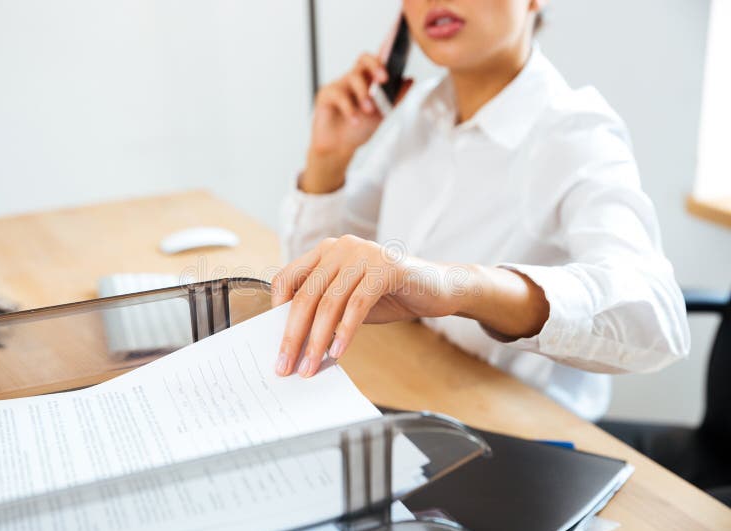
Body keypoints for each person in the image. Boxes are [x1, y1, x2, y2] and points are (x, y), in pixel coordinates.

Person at [271, 0, 690, 420]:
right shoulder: (422, 110)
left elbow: (658, 320)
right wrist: (328, 159)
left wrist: (458, 286)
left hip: (521, 426)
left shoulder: (576, 133)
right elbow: (317, 282)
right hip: (421, 392)